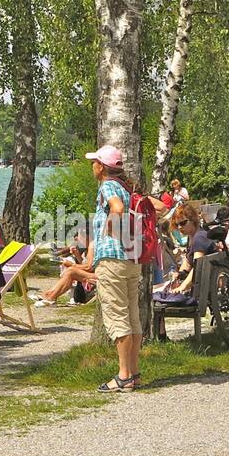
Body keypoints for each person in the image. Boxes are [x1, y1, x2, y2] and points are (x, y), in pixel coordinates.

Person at [87, 145, 142, 393]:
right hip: (131, 259)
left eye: (94, 162)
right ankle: (133, 372)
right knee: (132, 318)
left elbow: (117, 208)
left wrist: (110, 225)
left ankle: (123, 376)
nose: (92, 166)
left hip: (112, 259)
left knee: (118, 317)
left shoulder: (108, 185)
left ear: (101, 166)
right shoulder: (126, 187)